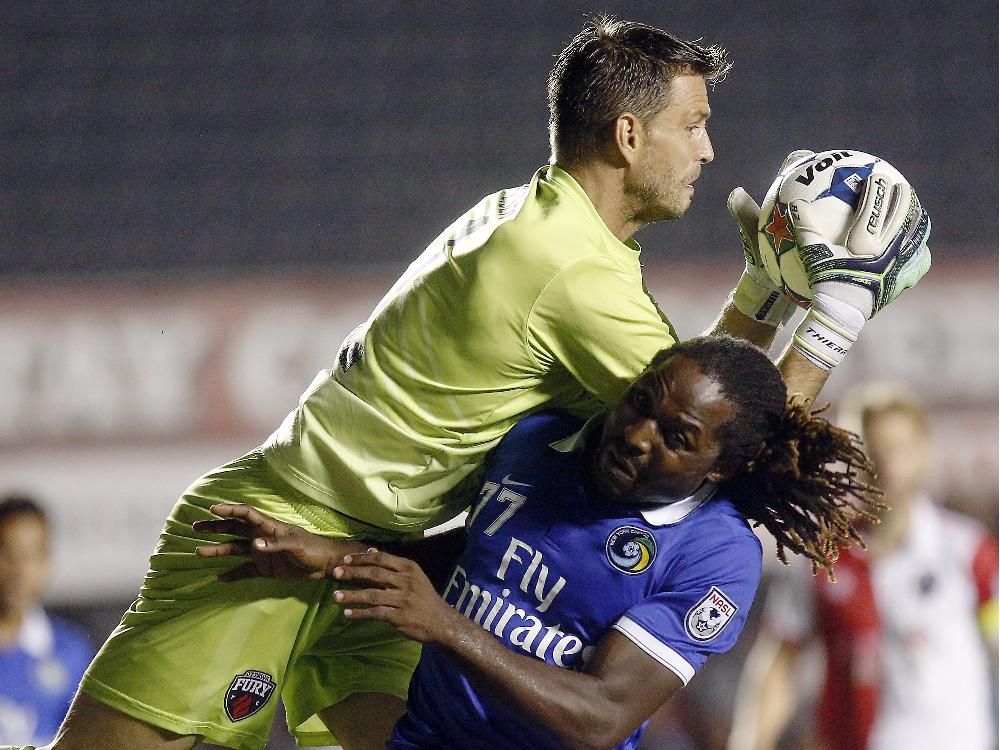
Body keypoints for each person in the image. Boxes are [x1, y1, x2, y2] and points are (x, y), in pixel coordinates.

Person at [26, 16, 930, 750]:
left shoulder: (543, 225)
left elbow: (700, 406)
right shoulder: (573, 277)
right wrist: (835, 308)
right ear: (627, 133)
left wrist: (765, 294)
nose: (708, 147)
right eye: (691, 125)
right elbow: (734, 439)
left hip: (373, 564)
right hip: (276, 538)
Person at [190, 335, 884, 750]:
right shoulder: (538, 441)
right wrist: (329, 554)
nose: (640, 435)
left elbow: (602, 717)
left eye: (677, 440)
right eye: (643, 401)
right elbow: (482, 555)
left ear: (722, 467)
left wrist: (444, 627)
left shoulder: (713, 554)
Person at [726, 385, 998, 750]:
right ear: (854, 460)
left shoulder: (969, 552)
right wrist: (750, 742)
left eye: (900, 449)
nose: (888, 465)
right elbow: (781, 659)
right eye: (874, 451)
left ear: (924, 451)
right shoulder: (822, 555)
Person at [0, 496, 93, 747]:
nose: (20, 570)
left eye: (32, 555)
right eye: (8, 552)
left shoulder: (72, 653)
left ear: (47, 561)